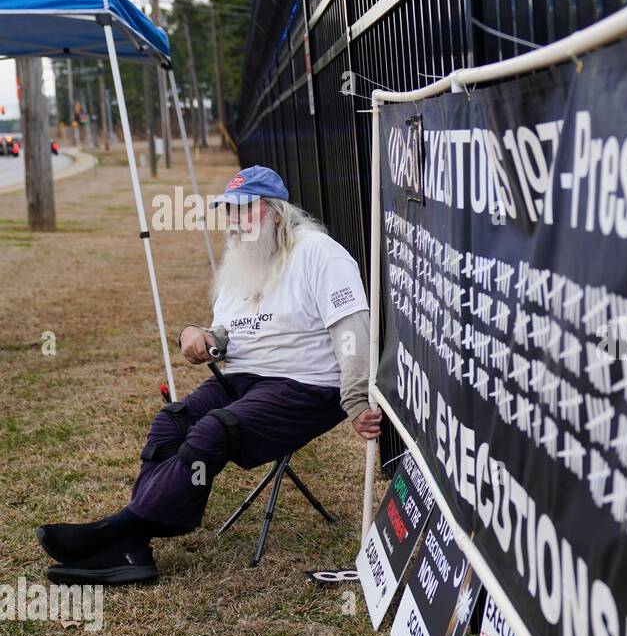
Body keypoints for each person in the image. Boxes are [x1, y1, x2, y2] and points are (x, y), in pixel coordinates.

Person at [37, 166, 383, 586]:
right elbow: (227, 333)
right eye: (229, 210)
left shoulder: (319, 253)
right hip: (243, 379)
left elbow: (352, 329)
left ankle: (122, 531)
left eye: (244, 209)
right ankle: (133, 545)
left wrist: (355, 400)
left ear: (275, 212)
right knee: (172, 421)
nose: (234, 220)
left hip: (306, 387)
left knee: (215, 430)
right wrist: (197, 336)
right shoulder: (242, 256)